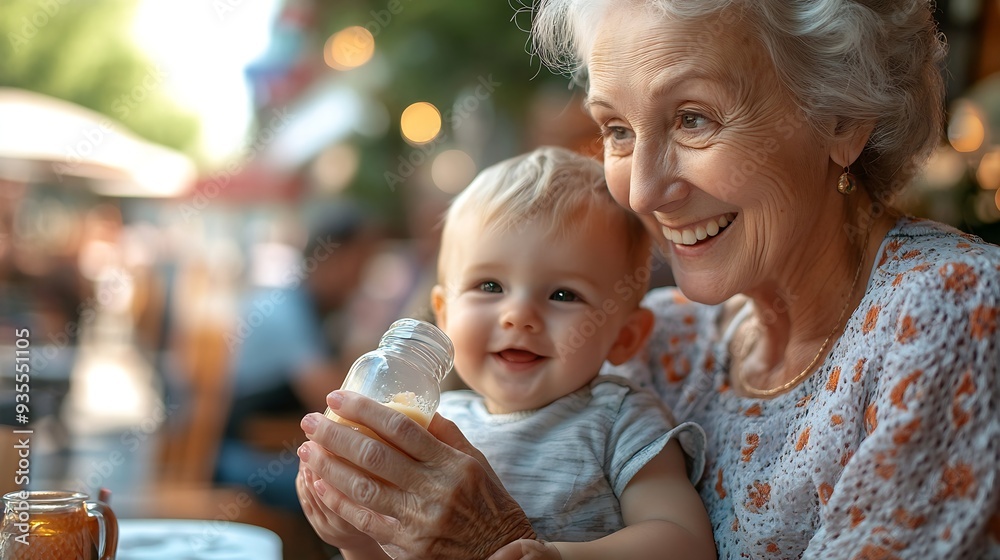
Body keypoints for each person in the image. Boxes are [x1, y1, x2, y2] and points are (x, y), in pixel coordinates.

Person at [294, 1, 1000, 558]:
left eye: (694, 119)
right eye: (619, 131)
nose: (643, 190)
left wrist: (499, 548)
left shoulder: (951, 313)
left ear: (842, 117)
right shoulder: (668, 343)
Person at [301, 147, 715, 559]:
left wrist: (558, 556)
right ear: (443, 315)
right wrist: (357, 539)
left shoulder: (622, 422)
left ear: (625, 336)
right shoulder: (432, 425)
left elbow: (685, 542)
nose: (518, 316)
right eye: (490, 287)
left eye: (562, 294)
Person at [216, 199, 379, 511]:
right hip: (235, 459)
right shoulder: (285, 313)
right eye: (361, 263)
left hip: (264, 449)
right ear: (331, 258)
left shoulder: (308, 310)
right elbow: (337, 402)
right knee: (354, 494)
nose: (363, 280)